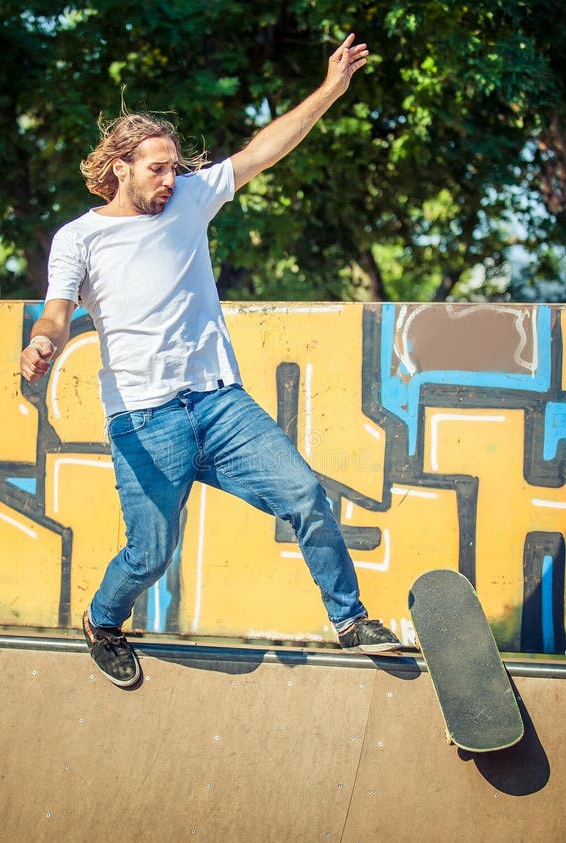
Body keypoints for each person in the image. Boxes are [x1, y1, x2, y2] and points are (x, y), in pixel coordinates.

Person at [20, 33, 401, 687]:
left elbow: (262, 150)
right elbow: (57, 308)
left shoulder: (192, 198)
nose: (172, 180)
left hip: (220, 404)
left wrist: (331, 88)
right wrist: (44, 341)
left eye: (175, 168)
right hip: (143, 420)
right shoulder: (80, 238)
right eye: (156, 169)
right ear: (120, 168)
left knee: (306, 496)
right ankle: (103, 620)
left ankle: (350, 620)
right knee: (150, 554)